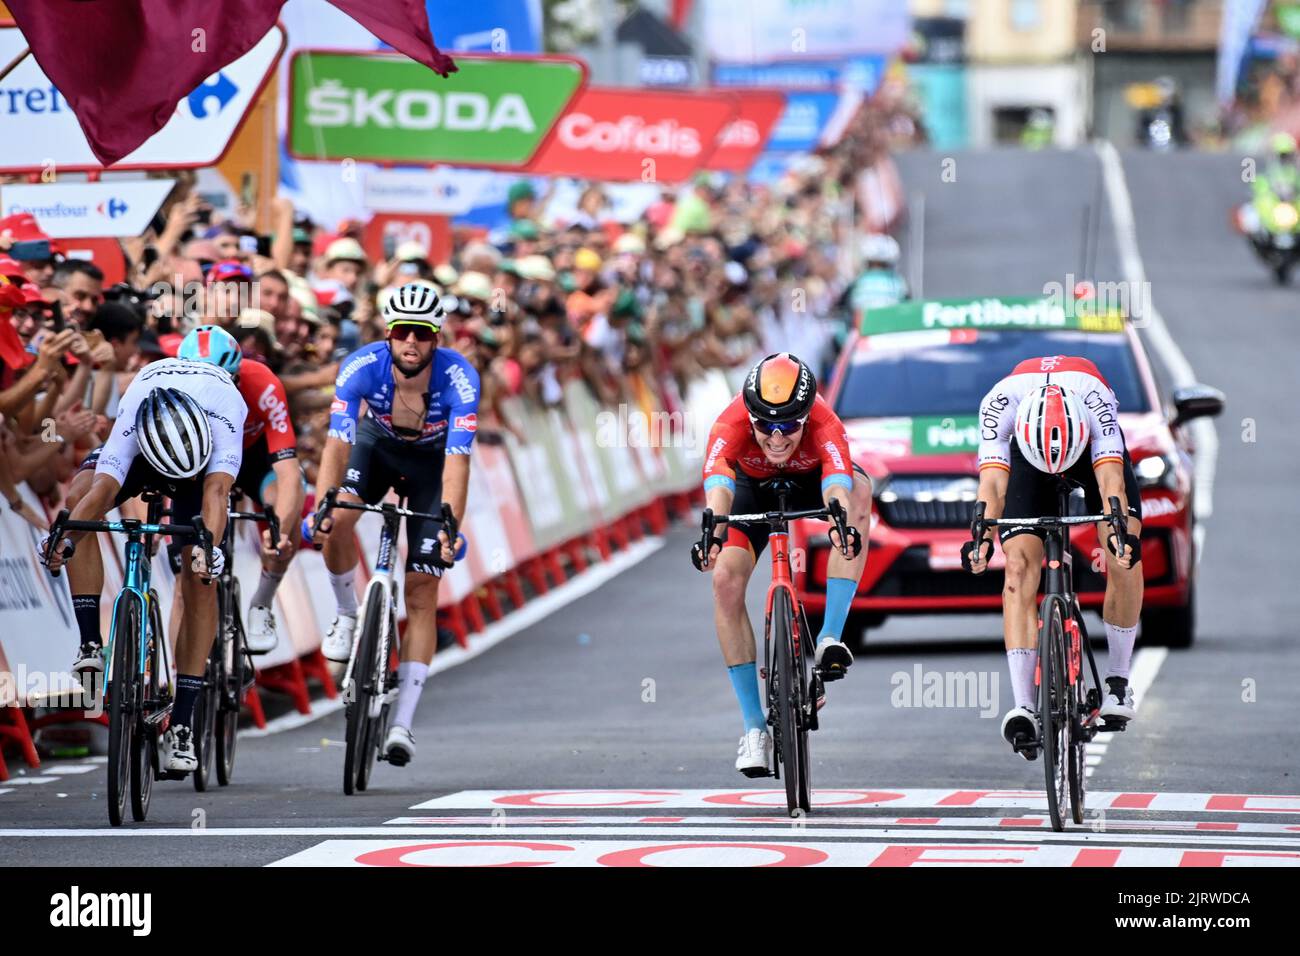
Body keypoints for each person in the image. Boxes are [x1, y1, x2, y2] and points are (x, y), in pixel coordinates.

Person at [40, 356, 247, 774]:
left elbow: (216, 495)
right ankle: (90, 646)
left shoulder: (228, 415)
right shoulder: (133, 415)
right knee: (79, 498)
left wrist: (208, 549)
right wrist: (65, 539)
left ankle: (183, 724)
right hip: (148, 439)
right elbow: (100, 492)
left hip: (198, 467)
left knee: (199, 575)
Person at [306, 282, 479, 767]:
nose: (411, 342)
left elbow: (458, 464)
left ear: (436, 339)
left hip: (430, 465)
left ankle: (402, 721)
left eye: (422, 334)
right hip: (375, 450)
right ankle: (345, 613)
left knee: (423, 589)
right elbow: (337, 443)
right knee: (337, 518)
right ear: (388, 333)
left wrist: (449, 525)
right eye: (402, 332)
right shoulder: (361, 366)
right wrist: (324, 502)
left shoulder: (460, 379)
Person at [691, 353, 871, 777]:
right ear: (749, 414)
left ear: (806, 416)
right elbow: (717, 481)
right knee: (725, 582)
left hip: (812, 484)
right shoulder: (729, 423)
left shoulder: (826, 423)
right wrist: (713, 535)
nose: (775, 437)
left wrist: (839, 523)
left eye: (789, 425)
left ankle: (828, 637)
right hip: (750, 490)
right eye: (764, 426)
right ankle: (754, 728)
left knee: (861, 492)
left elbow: (838, 482)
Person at [963, 357, 1142, 759]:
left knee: (1123, 551)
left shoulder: (1095, 403)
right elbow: (992, 484)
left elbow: (1112, 481)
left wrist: (1119, 534)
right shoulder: (999, 404)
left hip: (1087, 449)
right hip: (1031, 453)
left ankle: (1118, 681)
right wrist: (982, 538)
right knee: (1018, 567)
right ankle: (1024, 704)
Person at [176, 325, 303, 653]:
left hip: (252, 458)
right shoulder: (169, 385)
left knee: (287, 503)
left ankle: (262, 602)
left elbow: (287, 472)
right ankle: (180, 676)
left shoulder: (263, 383)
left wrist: (281, 528)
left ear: (237, 376)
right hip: (203, 461)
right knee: (188, 572)